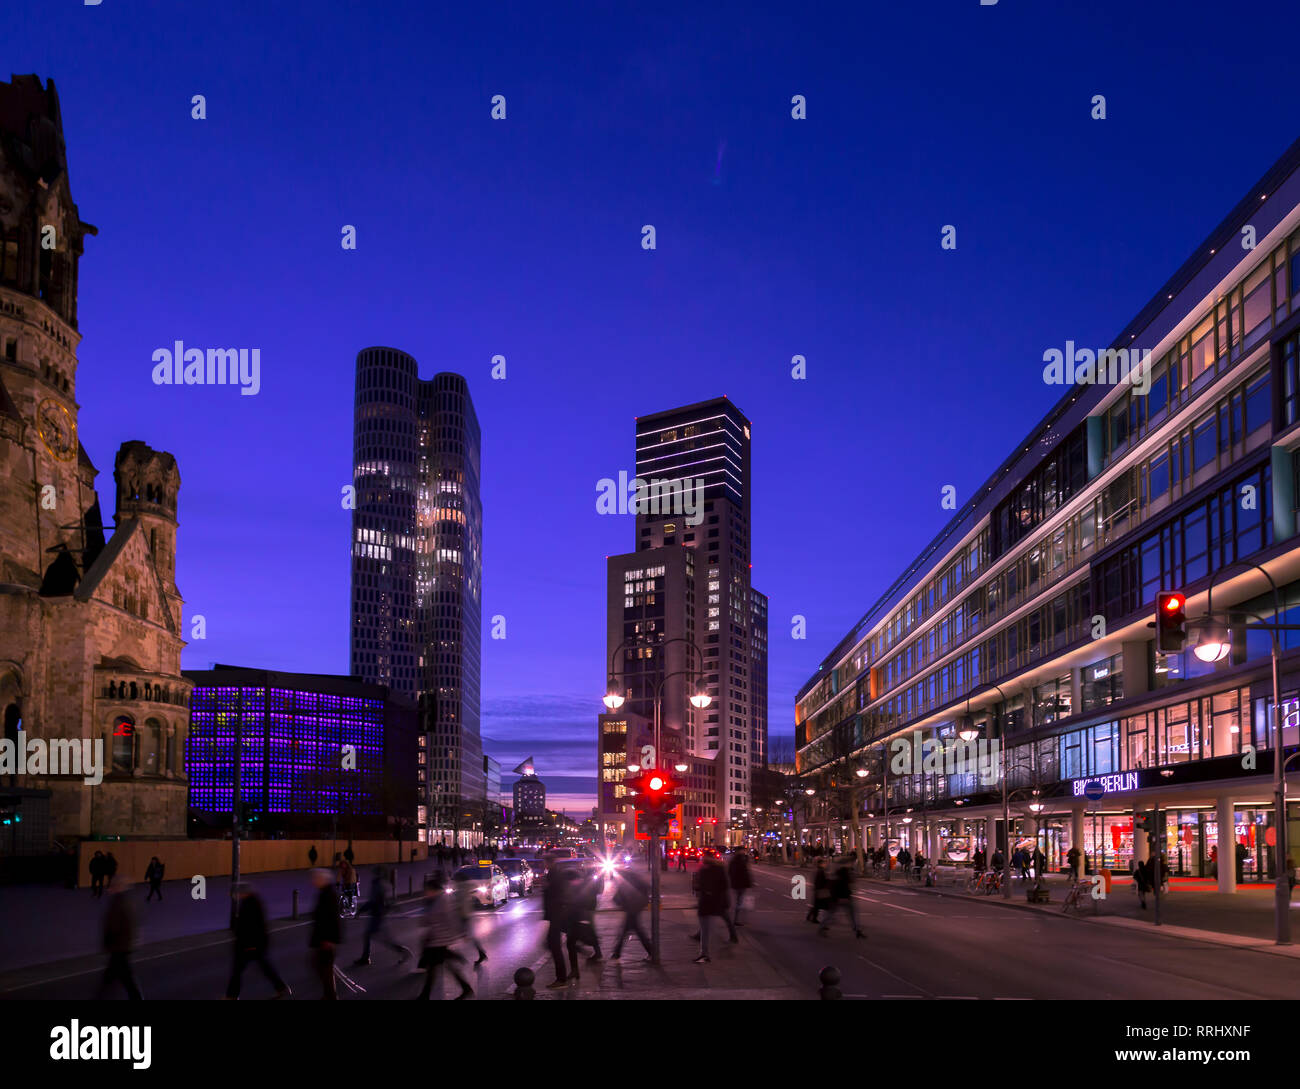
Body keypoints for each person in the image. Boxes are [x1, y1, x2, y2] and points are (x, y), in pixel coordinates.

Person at [226, 883, 291, 999]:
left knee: (238, 971)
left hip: (248, 945)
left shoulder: (250, 904)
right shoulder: (253, 902)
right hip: (253, 944)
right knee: (264, 967)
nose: (236, 896)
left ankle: (231, 996)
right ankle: (281, 988)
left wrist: (250, 944)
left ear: (242, 893)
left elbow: (252, 926)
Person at [416, 875, 473, 1000]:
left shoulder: (443, 901)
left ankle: (425, 995)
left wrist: (462, 933)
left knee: (434, 968)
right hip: (436, 940)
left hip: (440, 939)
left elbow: (452, 919)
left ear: (434, 889)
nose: (426, 892)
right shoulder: (434, 900)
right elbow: (428, 918)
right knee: (439, 967)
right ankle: (466, 988)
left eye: (428, 890)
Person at [354, 868, 411, 967]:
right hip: (380, 915)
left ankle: (366, 958)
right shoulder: (382, 884)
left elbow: (373, 901)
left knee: (375, 937)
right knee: (383, 939)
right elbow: (384, 900)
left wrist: (360, 911)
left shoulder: (377, 885)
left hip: (377, 916)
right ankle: (403, 952)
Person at [97, 874, 142, 1000]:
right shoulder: (129, 900)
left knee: (119, 977)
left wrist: (107, 942)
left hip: (119, 946)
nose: (109, 889)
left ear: (119, 887)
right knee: (122, 977)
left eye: (112, 886)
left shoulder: (119, 902)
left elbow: (113, 925)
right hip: (124, 945)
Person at [544, 866, 581, 988]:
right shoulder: (562, 884)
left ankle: (561, 979)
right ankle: (568, 974)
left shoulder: (558, 885)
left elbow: (561, 902)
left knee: (555, 946)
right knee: (564, 944)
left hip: (558, 918)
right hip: (560, 918)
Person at [308, 868, 341, 999]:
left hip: (326, 940)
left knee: (323, 967)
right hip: (323, 939)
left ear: (322, 880)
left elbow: (332, 919)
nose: (313, 881)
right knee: (322, 967)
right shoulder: (325, 893)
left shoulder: (328, 895)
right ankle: (330, 994)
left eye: (315, 879)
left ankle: (331, 995)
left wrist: (328, 940)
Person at [693, 853, 731, 963]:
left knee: (706, 929)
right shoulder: (720, 869)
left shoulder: (705, 871)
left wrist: (704, 889)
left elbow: (700, 886)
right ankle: (705, 953)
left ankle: (705, 954)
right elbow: (724, 886)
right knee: (708, 928)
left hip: (706, 903)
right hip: (715, 903)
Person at [611, 868, 652, 961]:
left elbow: (616, 899)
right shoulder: (637, 881)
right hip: (636, 908)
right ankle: (617, 953)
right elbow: (648, 888)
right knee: (631, 930)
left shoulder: (624, 884)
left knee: (631, 931)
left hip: (631, 910)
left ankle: (617, 953)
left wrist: (621, 905)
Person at [821, 862, 866, 939]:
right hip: (842, 898)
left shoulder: (838, 875)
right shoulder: (843, 875)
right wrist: (843, 897)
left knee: (832, 913)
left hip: (839, 898)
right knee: (851, 914)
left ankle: (823, 927)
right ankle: (857, 930)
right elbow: (844, 887)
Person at [453, 871, 489, 965]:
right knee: (470, 936)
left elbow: (459, 903)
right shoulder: (466, 886)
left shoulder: (461, 888)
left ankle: (457, 958)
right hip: (466, 915)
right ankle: (481, 954)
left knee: (452, 936)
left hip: (463, 916)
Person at [728, 848, 754, 926]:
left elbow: (730, 872)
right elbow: (745, 872)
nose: (744, 852)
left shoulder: (734, 860)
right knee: (739, 901)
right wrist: (749, 882)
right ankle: (736, 919)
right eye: (743, 851)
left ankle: (736, 918)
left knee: (738, 900)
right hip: (741, 883)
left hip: (736, 883)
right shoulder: (741, 860)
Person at [807, 858, 831, 923]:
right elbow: (821, 881)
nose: (825, 864)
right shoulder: (821, 871)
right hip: (820, 890)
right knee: (822, 905)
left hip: (818, 890)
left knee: (817, 905)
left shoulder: (818, 870)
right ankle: (815, 918)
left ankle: (810, 916)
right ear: (820, 864)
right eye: (824, 863)